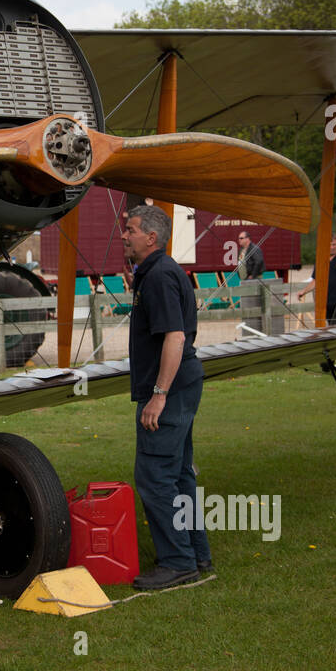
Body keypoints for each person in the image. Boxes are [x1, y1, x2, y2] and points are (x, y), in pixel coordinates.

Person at [122, 205, 211, 590]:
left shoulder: (159, 276)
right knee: (178, 474)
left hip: (170, 388)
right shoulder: (160, 272)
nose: (124, 235)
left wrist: (158, 395)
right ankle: (196, 552)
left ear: (151, 238)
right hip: (184, 381)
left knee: (156, 475)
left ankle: (177, 562)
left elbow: (175, 337)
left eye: (130, 230)